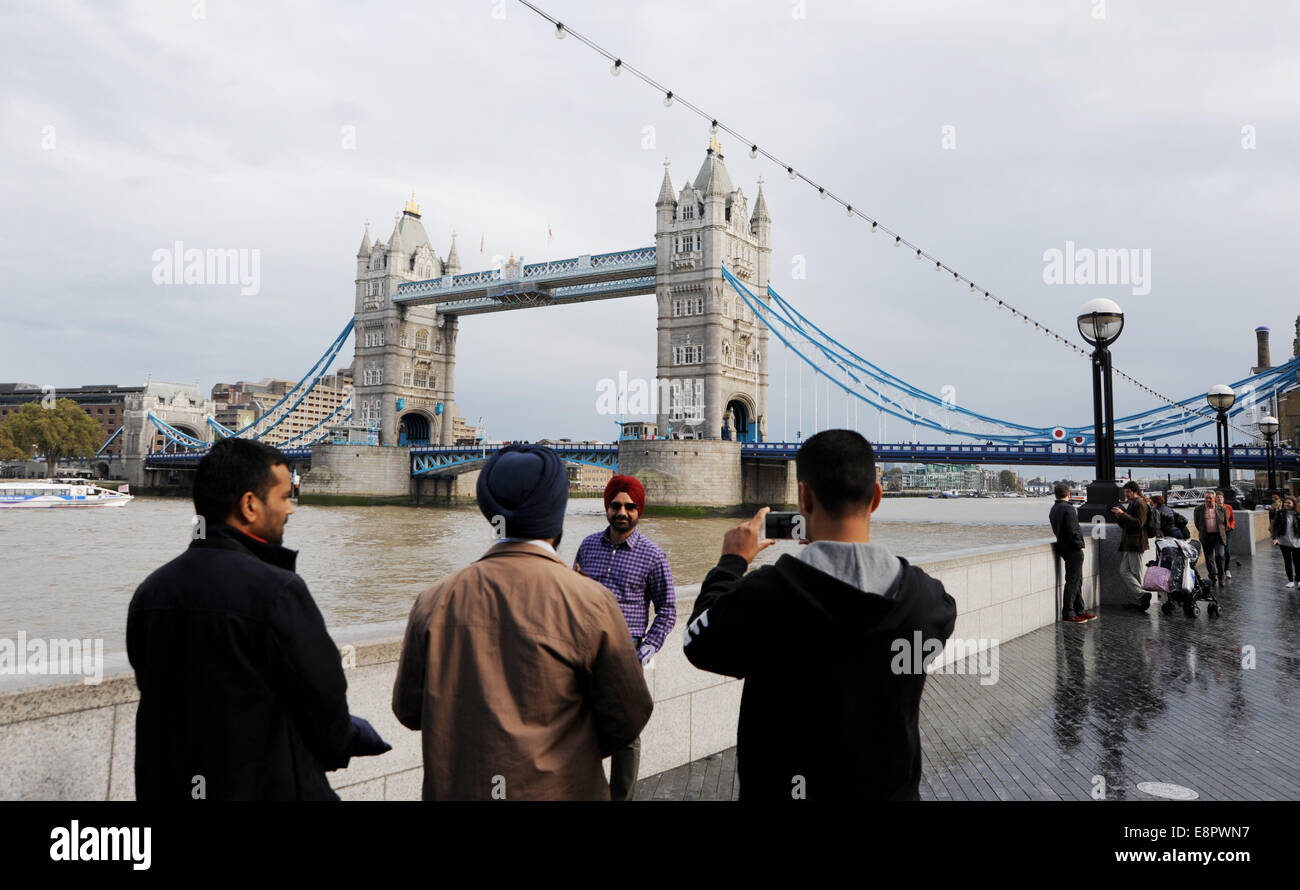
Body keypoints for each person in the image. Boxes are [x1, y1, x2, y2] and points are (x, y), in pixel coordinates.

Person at [682, 430, 956, 800]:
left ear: (804, 497)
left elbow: (698, 643)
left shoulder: (767, 595)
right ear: (876, 497)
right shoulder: (928, 601)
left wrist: (732, 562)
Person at [127, 437, 390, 801]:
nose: (292, 509)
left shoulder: (150, 592)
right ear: (250, 505)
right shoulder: (277, 591)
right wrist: (342, 745)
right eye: (284, 497)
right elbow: (324, 696)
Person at [392, 444, 652, 800]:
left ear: (489, 511)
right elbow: (628, 717)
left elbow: (408, 711)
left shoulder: (433, 601)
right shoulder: (592, 603)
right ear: (556, 511)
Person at [573, 474, 676, 801]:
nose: (622, 512)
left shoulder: (652, 555)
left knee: (626, 732)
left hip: (625, 651)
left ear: (639, 511)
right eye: (616, 505)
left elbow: (668, 610)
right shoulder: (587, 545)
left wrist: (645, 650)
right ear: (607, 507)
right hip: (584, 650)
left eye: (630, 507)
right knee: (580, 727)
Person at [1049, 483, 1093, 623]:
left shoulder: (1054, 509)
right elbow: (1073, 529)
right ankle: (1069, 613)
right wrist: (1079, 544)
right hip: (1073, 549)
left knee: (1077, 580)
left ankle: (1079, 610)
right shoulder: (1069, 509)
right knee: (1073, 581)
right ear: (1068, 493)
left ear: (1056, 494)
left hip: (1062, 547)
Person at [1111, 480, 1151, 612]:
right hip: (1129, 543)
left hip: (1136, 543)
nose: (1126, 494)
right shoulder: (1133, 503)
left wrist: (1123, 515)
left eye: (1128, 492)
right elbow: (1127, 523)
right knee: (1124, 571)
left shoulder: (1140, 504)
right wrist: (1120, 516)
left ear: (1135, 491)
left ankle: (1140, 600)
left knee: (1135, 572)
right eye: (1125, 492)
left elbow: (1139, 523)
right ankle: (1141, 596)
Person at [1194, 491, 1229, 587]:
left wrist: (1220, 531)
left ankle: (1221, 577)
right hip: (1206, 536)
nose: (1208, 500)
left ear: (1214, 499)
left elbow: (1226, 524)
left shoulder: (1222, 509)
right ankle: (1212, 577)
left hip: (1218, 536)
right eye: (1206, 498)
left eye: (1210, 498)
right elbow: (1197, 524)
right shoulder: (1198, 509)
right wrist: (1203, 532)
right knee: (1209, 559)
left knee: (1219, 556)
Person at [1270, 494, 1300, 589]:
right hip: (1284, 541)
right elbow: (1274, 526)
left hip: (1297, 541)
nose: (1286, 504)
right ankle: (1290, 580)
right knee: (1287, 561)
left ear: (1294, 504)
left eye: (1289, 503)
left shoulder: (1298, 514)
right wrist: (1275, 538)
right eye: (1285, 502)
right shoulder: (1280, 513)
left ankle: (1298, 580)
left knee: (1297, 562)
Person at [1215, 491, 1235, 579]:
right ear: (1215, 499)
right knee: (1219, 554)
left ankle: (1227, 569)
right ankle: (1220, 570)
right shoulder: (1213, 508)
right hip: (1218, 532)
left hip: (1227, 532)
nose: (1219, 499)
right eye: (1218, 497)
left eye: (1221, 497)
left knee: (1227, 551)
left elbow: (1232, 519)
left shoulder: (1228, 507)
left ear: (1223, 499)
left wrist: (1231, 527)